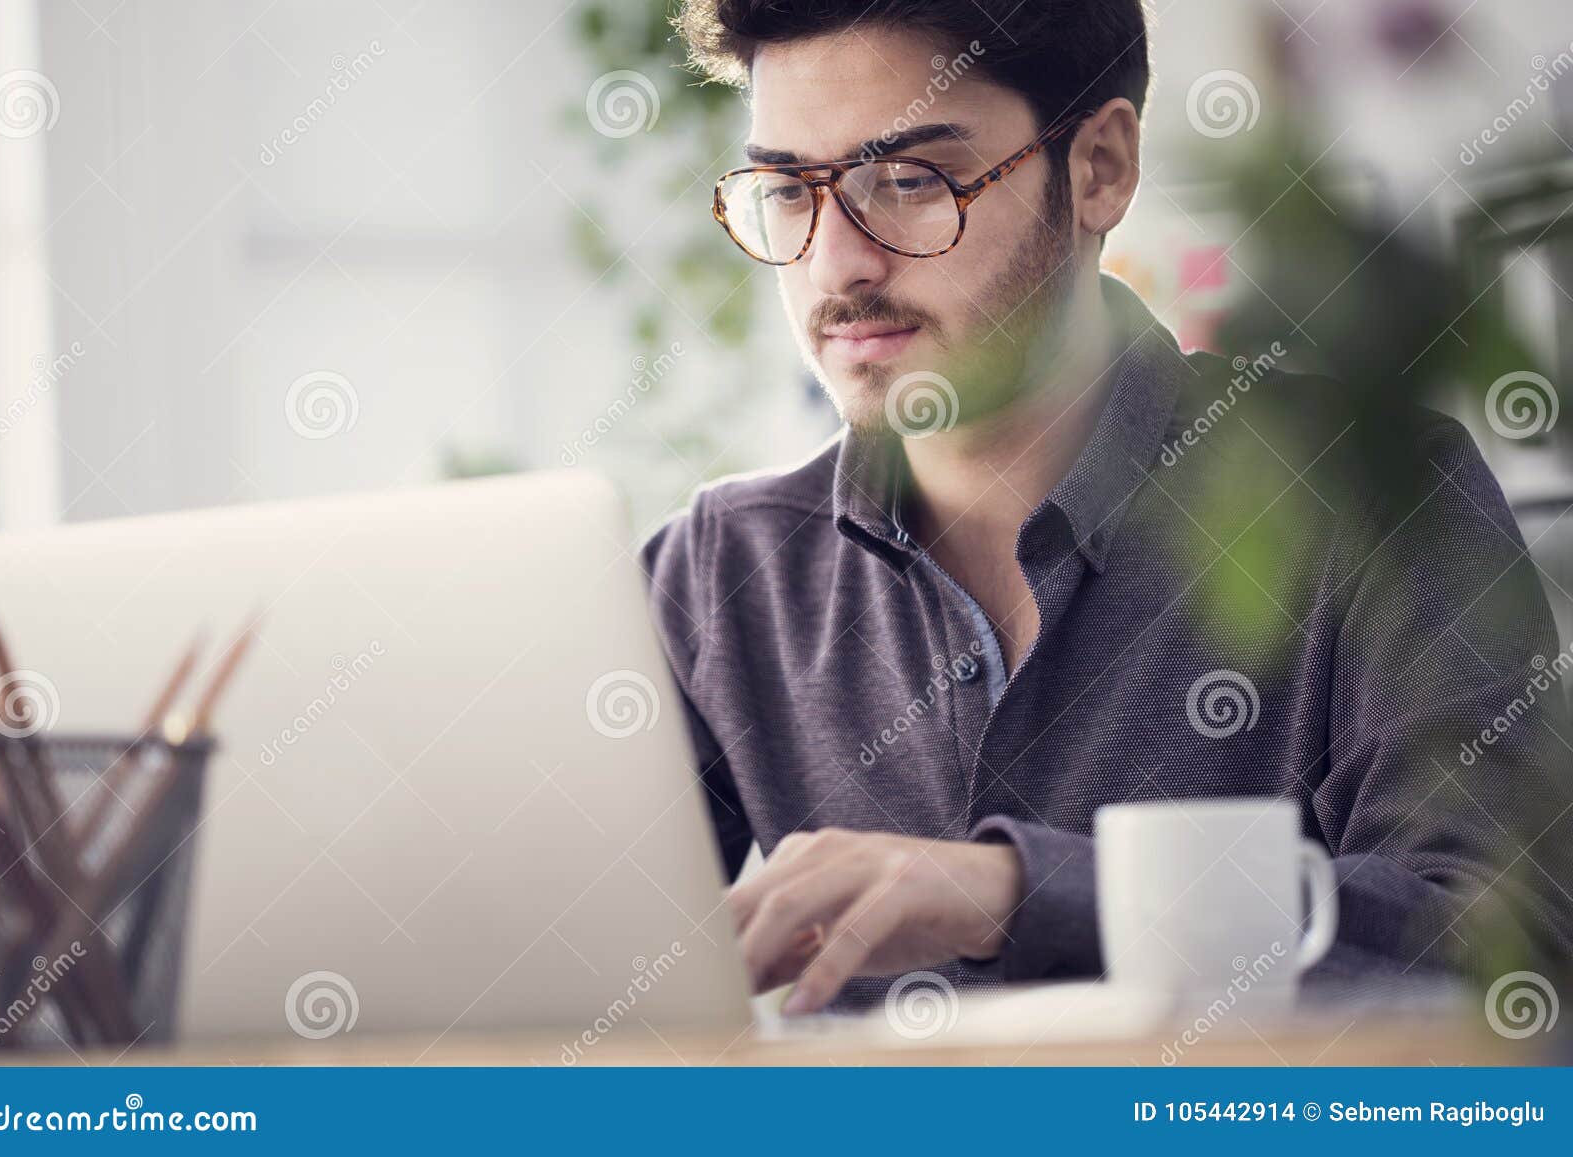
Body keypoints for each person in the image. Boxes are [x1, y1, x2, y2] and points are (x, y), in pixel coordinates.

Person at [643, 0, 1573, 1015]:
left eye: (908, 181)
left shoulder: (1370, 491)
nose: (836, 265)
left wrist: (1022, 890)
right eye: (787, 190)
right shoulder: (717, 570)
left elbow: (1508, 948)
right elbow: (535, 948)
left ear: (1099, 169)